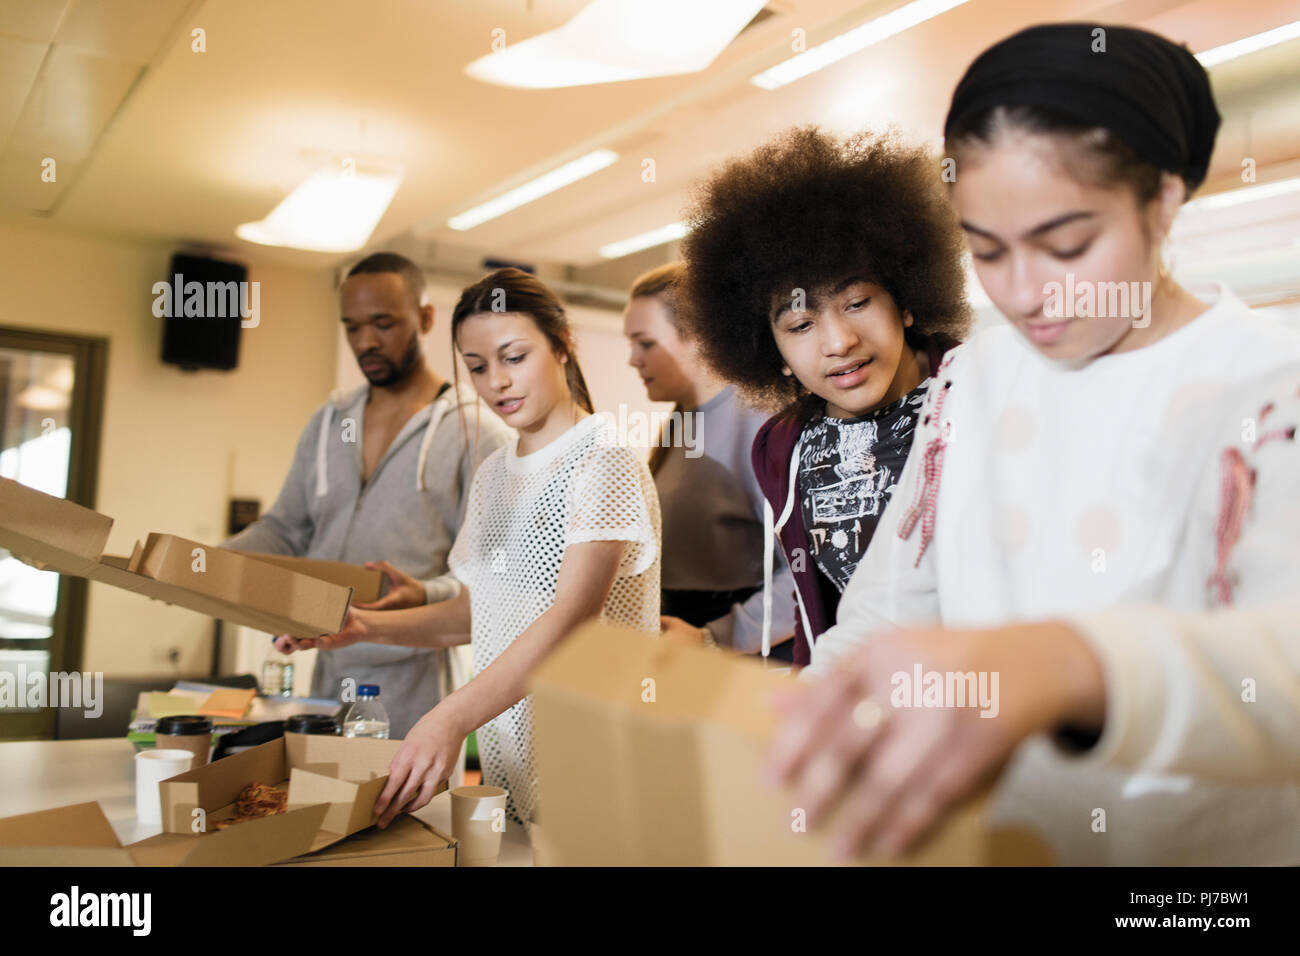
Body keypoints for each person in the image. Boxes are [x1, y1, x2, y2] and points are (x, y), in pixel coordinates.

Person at [766, 23, 1300, 865]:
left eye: (1067, 245)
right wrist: (794, 731)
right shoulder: (972, 383)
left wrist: (1071, 662)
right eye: (988, 251)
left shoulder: (1271, 384)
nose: (1025, 294)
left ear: (1164, 198)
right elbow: (886, 608)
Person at [280, 268, 662, 828]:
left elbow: (572, 618)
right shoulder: (493, 476)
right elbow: (476, 612)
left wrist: (450, 715)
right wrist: (365, 626)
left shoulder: (602, 460)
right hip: (512, 757)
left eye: (514, 357)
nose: (496, 383)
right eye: (478, 367)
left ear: (561, 346)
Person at [675, 127, 970, 666]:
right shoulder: (783, 448)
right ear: (773, 350)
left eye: (857, 302)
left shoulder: (976, 397)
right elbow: (816, 609)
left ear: (906, 300)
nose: (839, 342)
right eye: (802, 324)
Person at [226, 252, 512, 738]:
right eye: (352, 327)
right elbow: (286, 528)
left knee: (404, 812)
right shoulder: (329, 421)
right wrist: (198, 566)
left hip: (411, 678)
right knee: (322, 806)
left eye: (382, 323)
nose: (366, 342)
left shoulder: (476, 433)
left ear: (424, 318)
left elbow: (488, 577)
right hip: (323, 667)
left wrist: (421, 594)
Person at [624, 262, 799, 659]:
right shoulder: (679, 420)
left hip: (745, 656)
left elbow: (804, 574)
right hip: (684, 645)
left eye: (645, 343)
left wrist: (715, 638)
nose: (632, 359)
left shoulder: (760, 420)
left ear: (699, 337)